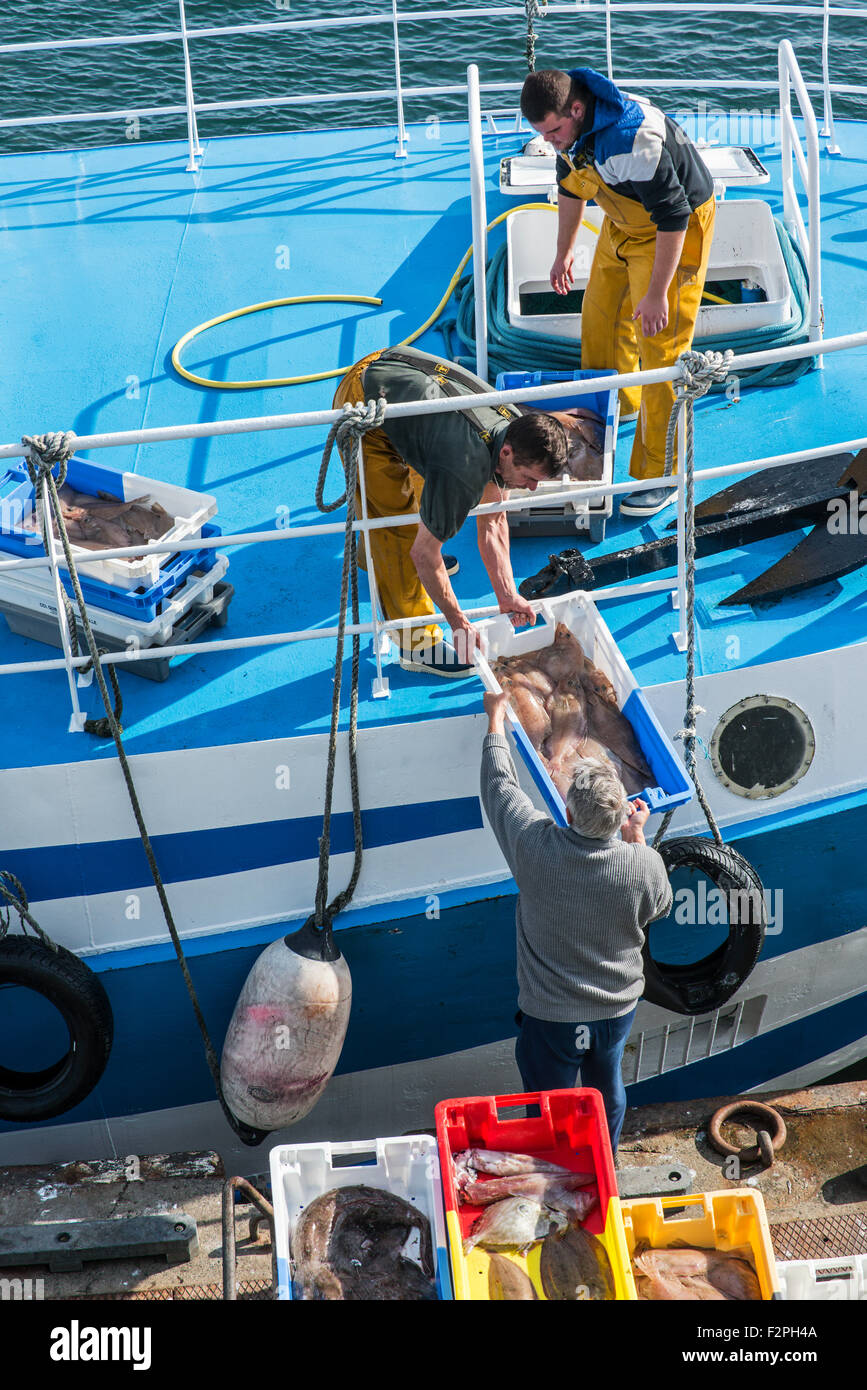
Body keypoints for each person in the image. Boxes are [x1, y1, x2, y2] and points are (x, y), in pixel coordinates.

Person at [479, 690, 673, 1155]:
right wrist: (638, 838)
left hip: (551, 1018)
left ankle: (556, 1166)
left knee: (548, 1104)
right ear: (621, 815)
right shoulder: (643, 864)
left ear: (566, 812)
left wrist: (495, 721)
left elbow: (500, 787)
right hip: (615, 1012)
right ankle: (604, 1160)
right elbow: (661, 907)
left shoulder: (534, 847)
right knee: (607, 1092)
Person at [520, 67, 716, 518]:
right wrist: (563, 254)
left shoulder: (632, 142)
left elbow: (674, 217)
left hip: (674, 231)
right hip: (623, 222)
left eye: (553, 131)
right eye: (541, 134)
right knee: (601, 317)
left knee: (661, 349)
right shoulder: (569, 136)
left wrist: (657, 293)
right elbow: (570, 189)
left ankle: (662, 474)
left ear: (576, 110)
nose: (548, 141)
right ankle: (620, 405)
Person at [333, 344, 587, 677]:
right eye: (529, 478)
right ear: (506, 453)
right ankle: (415, 644)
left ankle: (375, 555)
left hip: (401, 374)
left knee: (428, 497)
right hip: (366, 401)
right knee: (398, 530)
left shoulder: (517, 428)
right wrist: (459, 623)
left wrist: (507, 595)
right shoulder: (463, 469)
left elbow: (493, 520)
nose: (532, 489)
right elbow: (423, 554)